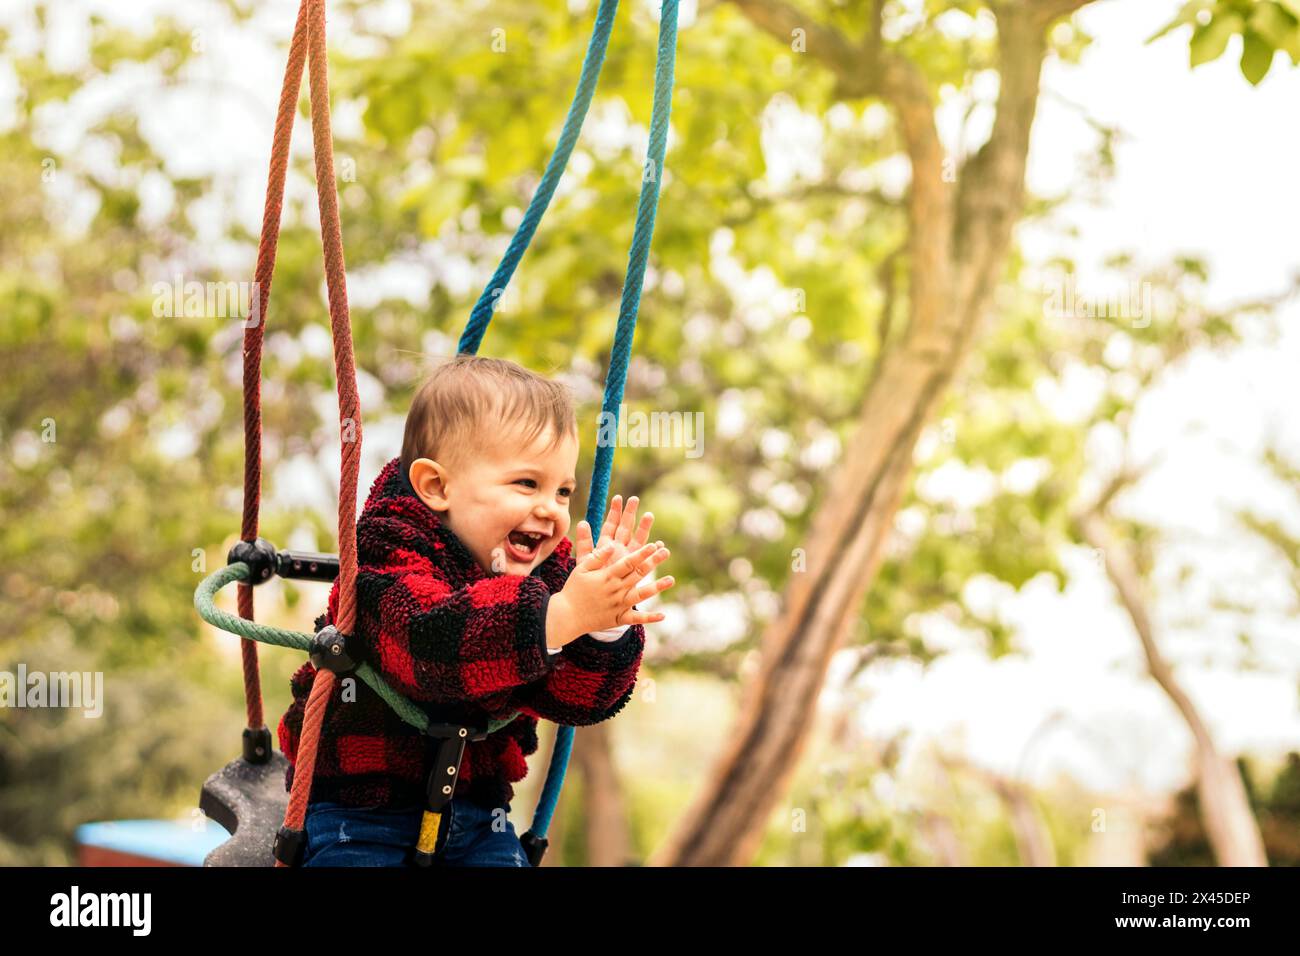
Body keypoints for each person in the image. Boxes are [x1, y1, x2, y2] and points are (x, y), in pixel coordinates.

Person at [277, 354, 675, 866]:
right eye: (527, 484)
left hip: (477, 815)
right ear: (438, 487)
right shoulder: (385, 549)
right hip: (359, 808)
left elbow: (578, 700)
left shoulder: (546, 576)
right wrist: (560, 617)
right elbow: (433, 648)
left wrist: (601, 628)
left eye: (563, 491)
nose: (551, 509)